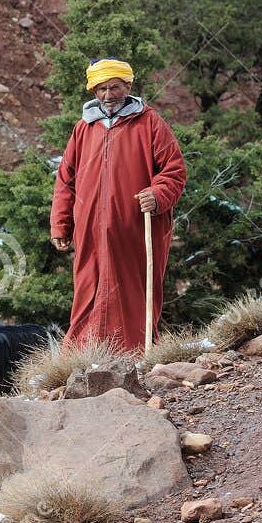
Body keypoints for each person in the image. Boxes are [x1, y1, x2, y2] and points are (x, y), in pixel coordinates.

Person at [49, 58, 188, 353]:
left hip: (135, 228)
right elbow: (66, 179)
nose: (107, 95)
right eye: (101, 89)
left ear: (128, 85)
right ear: (93, 90)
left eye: (114, 87)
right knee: (89, 289)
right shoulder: (83, 128)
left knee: (133, 291)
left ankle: (135, 353)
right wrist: (61, 223)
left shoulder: (150, 123)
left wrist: (158, 194)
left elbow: (174, 170)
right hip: (89, 230)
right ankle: (83, 356)